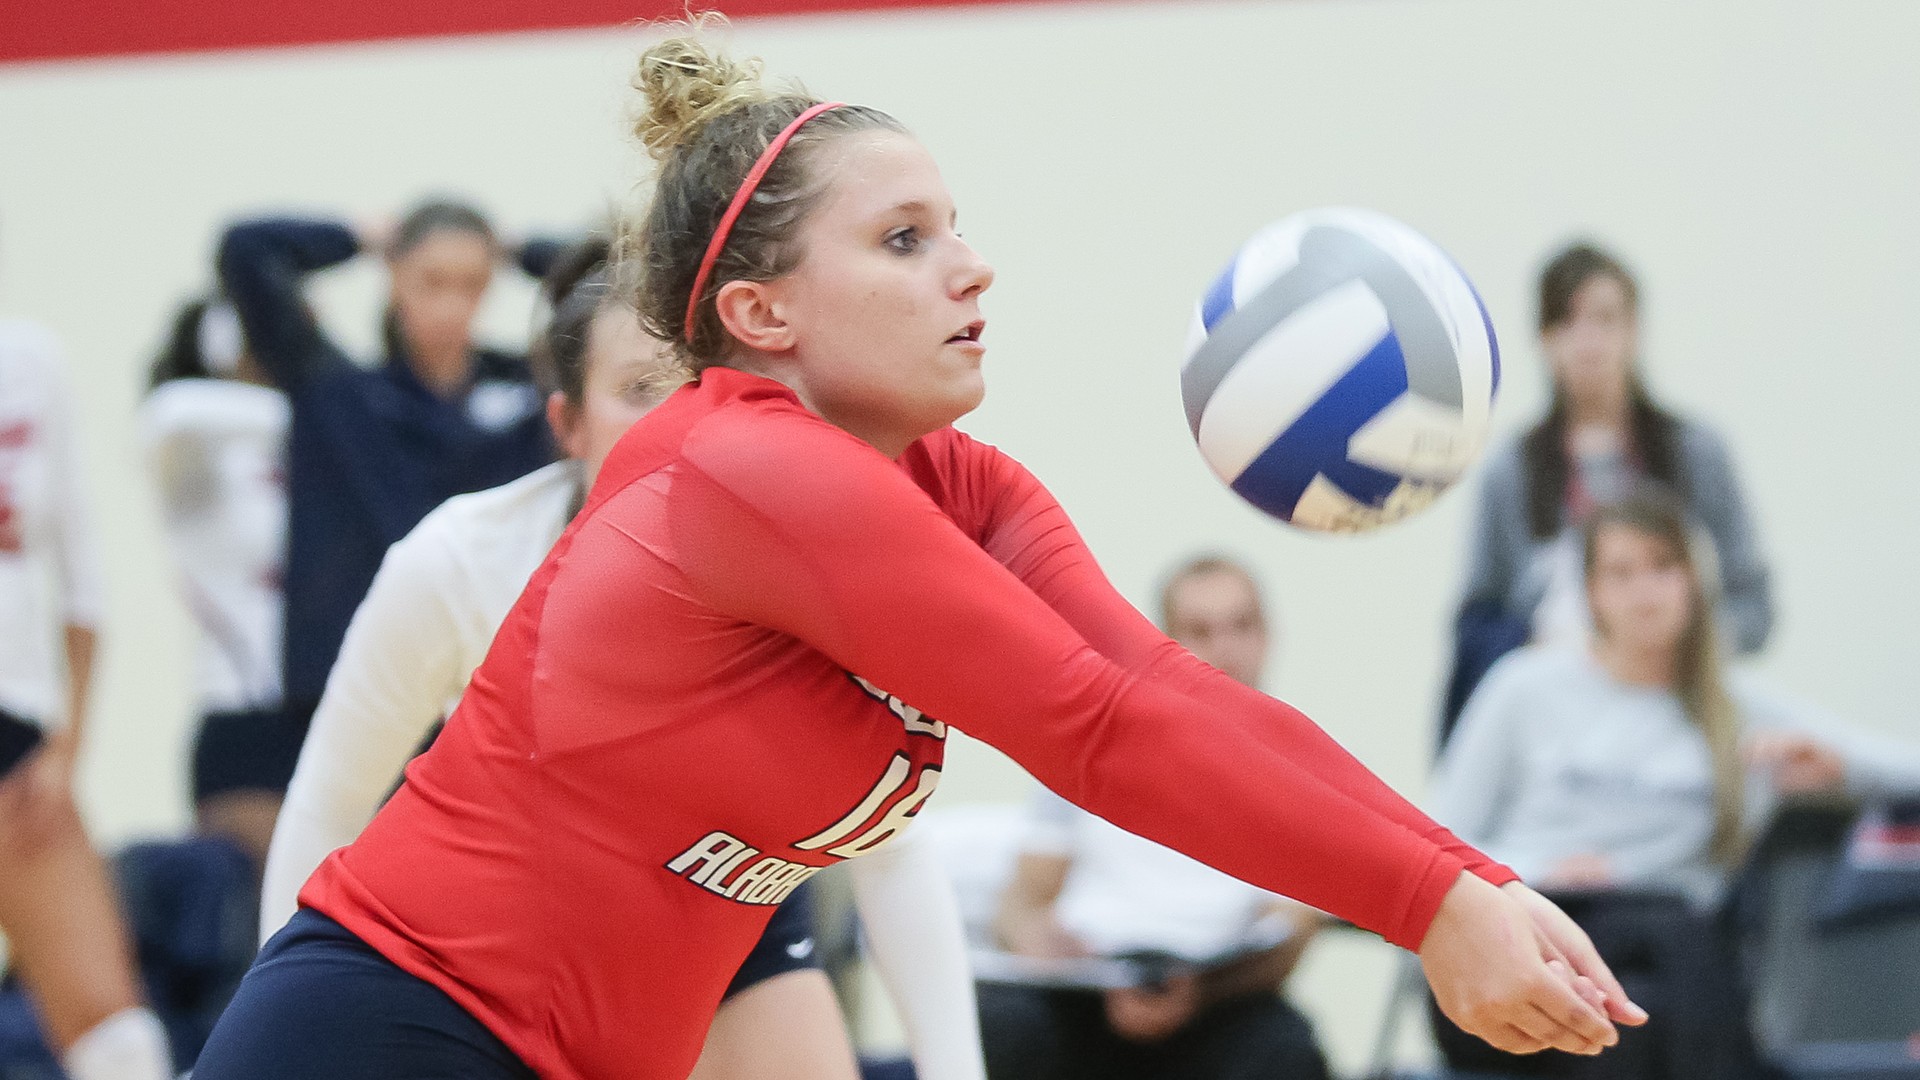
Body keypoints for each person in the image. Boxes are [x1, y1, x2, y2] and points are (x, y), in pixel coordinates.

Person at [194, 29, 1644, 1080]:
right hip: (395, 1027)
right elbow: (1099, 733)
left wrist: (1465, 879)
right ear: (764, 316)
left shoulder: (960, 486)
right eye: (903, 238)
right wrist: (1423, 904)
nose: (971, 265)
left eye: (956, 226)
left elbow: (1158, 685)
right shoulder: (742, 469)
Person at [258, 238, 988, 1080]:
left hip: (718, 912)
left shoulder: (812, 561)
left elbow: (893, 847)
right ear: (565, 423)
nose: (679, 420)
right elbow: (327, 802)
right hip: (500, 940)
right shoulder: (459, 559)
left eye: (699, 388)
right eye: (639, 390)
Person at [1430, 487, 1920, 1078]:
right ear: (1592, 593)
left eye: (1664, 567)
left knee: (1658, 976)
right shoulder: (1525, 687)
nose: (1645, 590)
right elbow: (1441, 840)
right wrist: (1538, 868)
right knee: (1646, 1000)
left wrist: (1837, 764)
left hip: (1668, 948)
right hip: (1538, 937)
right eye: (1622, 572)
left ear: (1693, 583)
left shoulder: (1733, 708)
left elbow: (1899, 763)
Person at [215, 201, 557, 815]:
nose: (453, 303)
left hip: (489, 693)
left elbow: (617, 277)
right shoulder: (338, 392)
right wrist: (361, 238)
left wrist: (519, 248)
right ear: (396, 278)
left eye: (472, 283)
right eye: (433, 281)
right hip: (355, 687)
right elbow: (245, 248)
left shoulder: (529, 400)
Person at [984, 555, 1331, 1080]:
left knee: (1286, 1050)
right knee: (1005, 1025)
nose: (1225, 649)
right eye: (1200, 630)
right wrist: (1041, 944)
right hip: (1092, 991)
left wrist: (1203, 991)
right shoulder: (1089, 748)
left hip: (1220, 1002)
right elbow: (1023, 899)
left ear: (1267, 636)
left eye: (1242, 626)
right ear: (1164, 642)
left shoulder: (1304, 768)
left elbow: (1295, 928)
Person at [1444, 243, 1772, 740]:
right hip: (1554, 727)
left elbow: (1753, 606)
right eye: (1566, 322)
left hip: (1679, 719)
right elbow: (1478, 620)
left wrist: (1670, 646)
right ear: (1542, 339)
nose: (1588, 341)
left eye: (1604, 319)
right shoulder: (1511, 471)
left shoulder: (1697, 454)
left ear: (1634, 329)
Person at [0, 316, 173, 1080]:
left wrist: (68, 747)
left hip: (20, 749)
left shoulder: (28, 360)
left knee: (121, 1044)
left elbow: (83, 580)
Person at [139, 297, 290, 863]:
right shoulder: (196, 454)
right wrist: (331, 412)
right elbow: (169, 410)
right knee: (273, 929)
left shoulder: (324, 451)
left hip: (336, 707)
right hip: (244, 713)